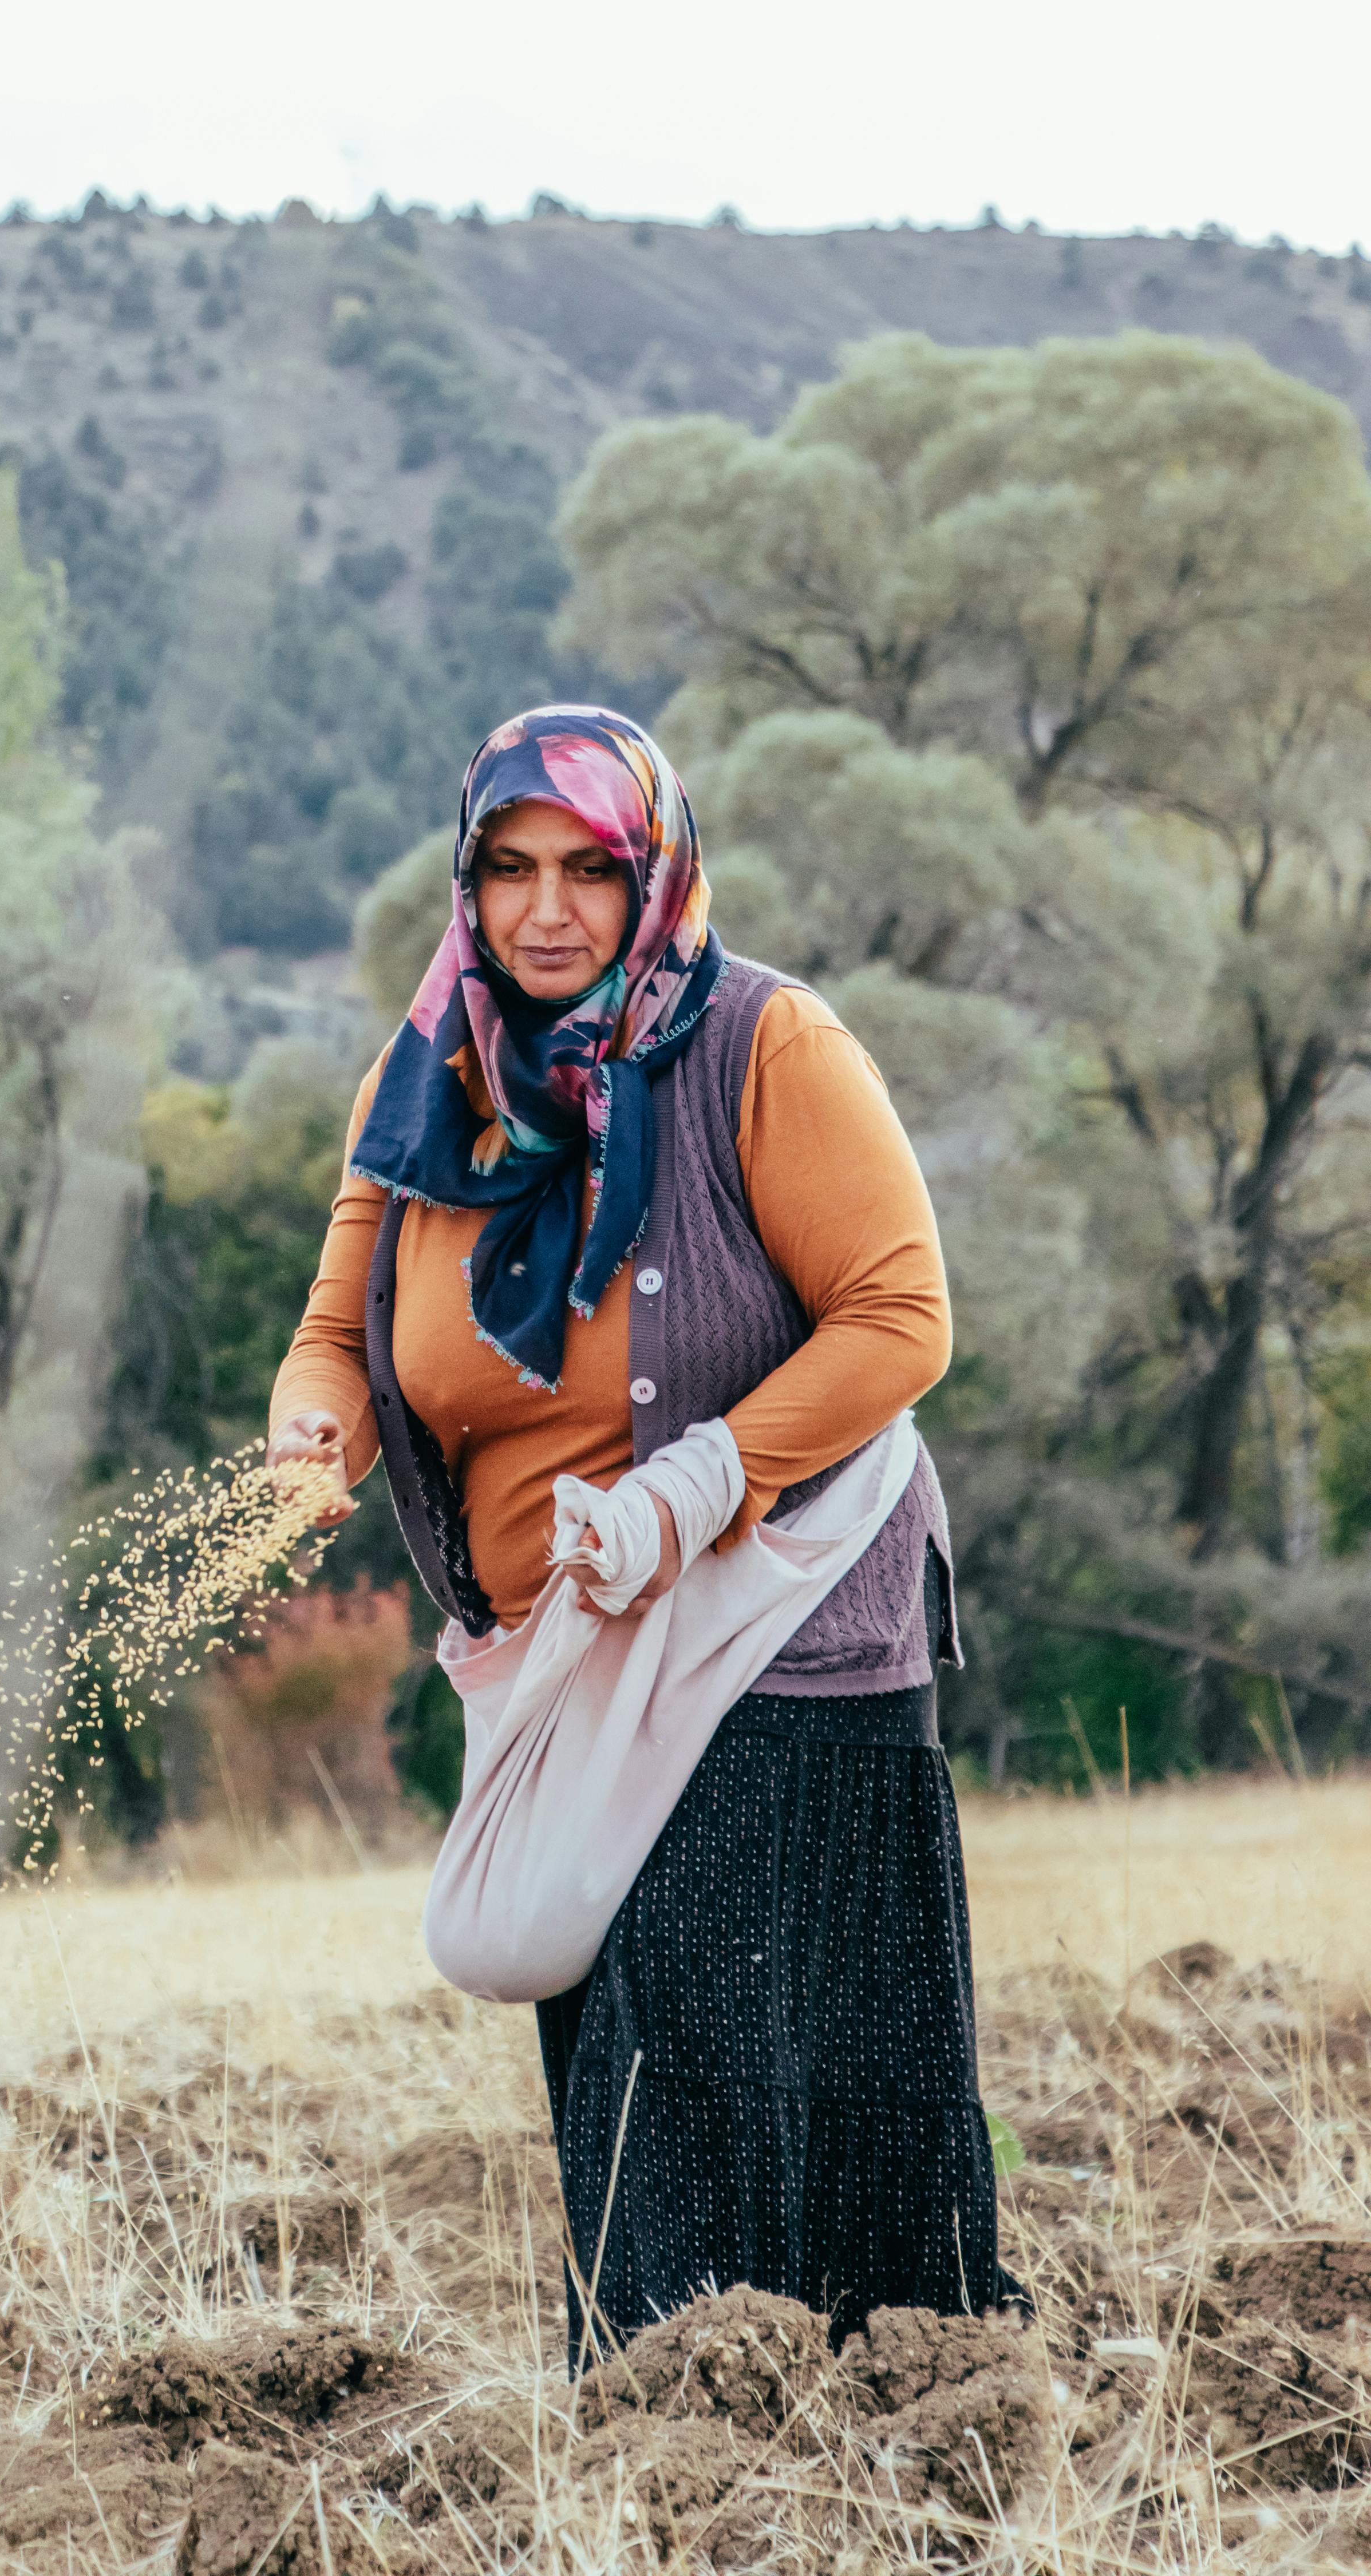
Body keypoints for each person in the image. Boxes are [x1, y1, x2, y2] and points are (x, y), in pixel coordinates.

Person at [267, 703, 1018, 2353]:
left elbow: (900, 1318)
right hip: (556, 1645)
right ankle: (712, 2423)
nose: (547, 911)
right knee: (614, 2049)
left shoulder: (766, 1046)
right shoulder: (426, 1089)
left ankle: (739, 2424)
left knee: (694, 2076)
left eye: (590, 872)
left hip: (775, 1619)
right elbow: (337, 1331)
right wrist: (313, 1426)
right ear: (467, 887)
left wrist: (691, 1491)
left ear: (655, 873)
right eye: (510, 870)